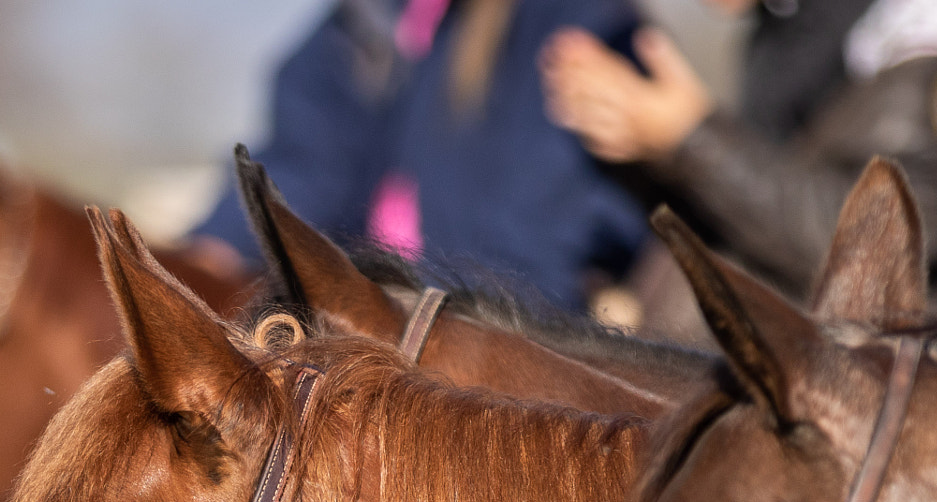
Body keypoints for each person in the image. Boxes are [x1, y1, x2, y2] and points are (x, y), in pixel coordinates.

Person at [537, 0, 937, 324]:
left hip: (891, 441)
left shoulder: (923, 48)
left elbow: (862, 241)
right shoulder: (793, 35)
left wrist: (688, 138)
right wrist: (639, 144)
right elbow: (760, 221)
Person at [189, 0, 653, 316]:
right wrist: (215, 253)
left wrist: (406, 321)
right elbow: (306, 159)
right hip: (363, 321)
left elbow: (538, 247)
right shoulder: (365, 20)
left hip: (476, 341)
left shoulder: (572, 20)